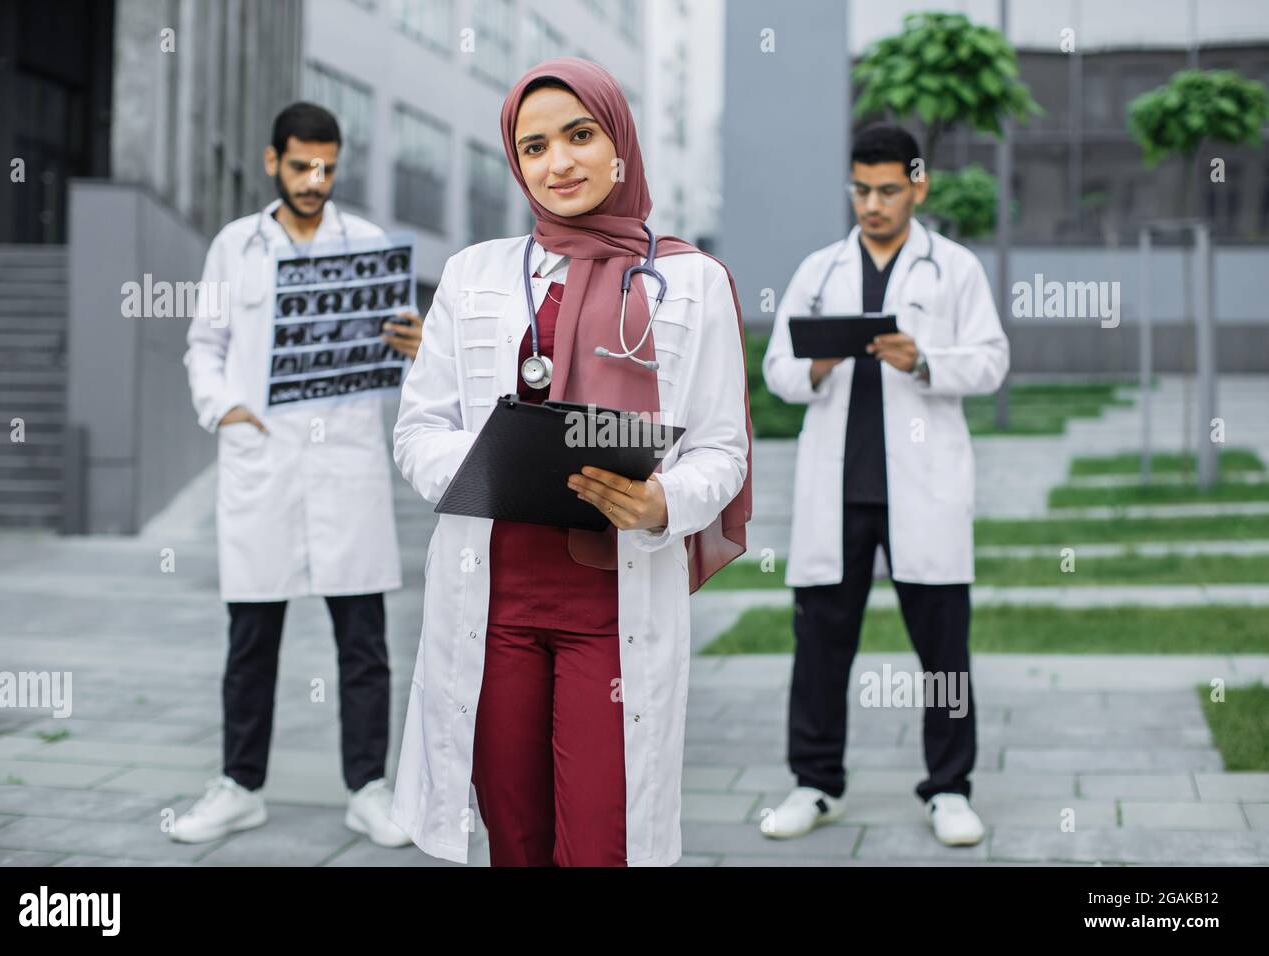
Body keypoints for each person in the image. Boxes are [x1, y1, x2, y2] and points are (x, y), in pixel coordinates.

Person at [387, 57, 752, 867]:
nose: (560, 163)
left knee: (600, 842)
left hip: (612, 608)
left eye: (580, 135)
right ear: (516, 164)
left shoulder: (691, 281)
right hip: (495, 608)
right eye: (535, 146)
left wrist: (664, 503)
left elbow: (722, 448)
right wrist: (491, 464)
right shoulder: (473, 274)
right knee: (514, 838)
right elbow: (417, 431)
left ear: (618, 143)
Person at [176, 102, 423, 847]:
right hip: (263, 463)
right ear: (271, 161)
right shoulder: (234, 247)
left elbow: (403, 350)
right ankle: (239, 787)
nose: (314, 179)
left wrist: (416, 346)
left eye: (326, 165)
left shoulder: (370, 245)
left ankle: (368, 790)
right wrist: (225, 409)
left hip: (345, 465)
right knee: (251, 636)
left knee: (364, 642)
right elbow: (203, 345)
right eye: (300, 165)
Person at [760, 123, 1009, 846]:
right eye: (861, 189)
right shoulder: (819, 271)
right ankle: (815, 783)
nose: (872, 204)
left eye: (889, 190)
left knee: (942, 651)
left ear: (918, 185)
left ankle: (949, 789)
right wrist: (818, 364)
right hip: (834, 492)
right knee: (819, 647)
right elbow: (778, 370)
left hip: (922, 490)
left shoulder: (953, 268)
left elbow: (991, 363)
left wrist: (923, 359)